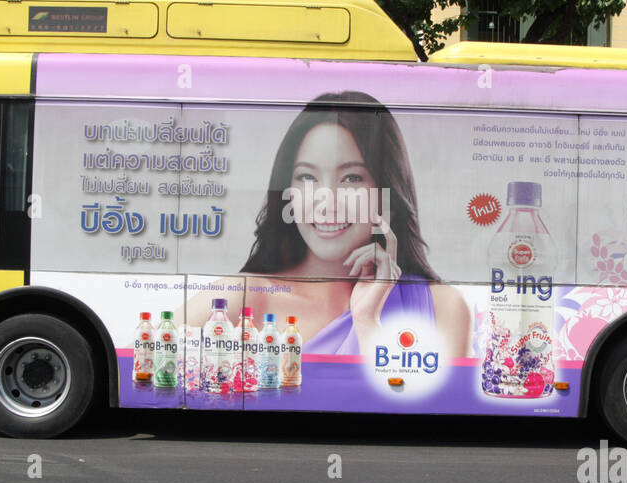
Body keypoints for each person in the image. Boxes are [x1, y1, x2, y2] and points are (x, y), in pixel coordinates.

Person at [181, 91, 471, 357]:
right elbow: (140, 372)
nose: (327, 201)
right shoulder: (242, 298)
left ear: (388, 195)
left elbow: (424, 411)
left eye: (352, 178)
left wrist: (368, 322)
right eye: (307, 177)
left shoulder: (443, 308)